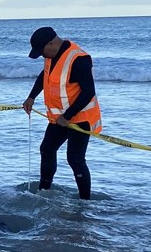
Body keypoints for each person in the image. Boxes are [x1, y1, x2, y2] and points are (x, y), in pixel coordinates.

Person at [21, 26, 102, 200]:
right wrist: (31, 97)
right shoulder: (51, 56)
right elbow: (45, 75)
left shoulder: (79, 59)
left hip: (80, 117)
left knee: (75, 159)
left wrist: (67, 116)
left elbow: (89, 92)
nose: (42, 56)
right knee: (46, 149)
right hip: (59, 118)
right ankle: (44, 191)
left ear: (51, 43)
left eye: (42, 51)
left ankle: (85, 201)